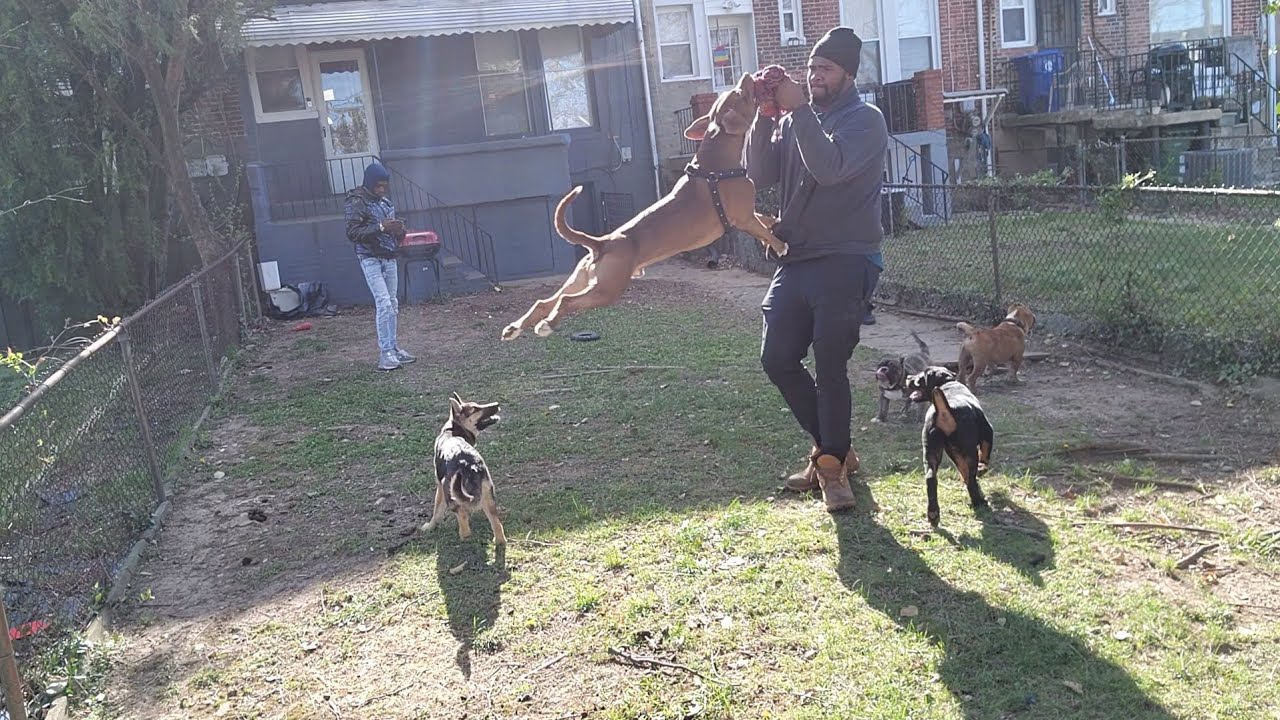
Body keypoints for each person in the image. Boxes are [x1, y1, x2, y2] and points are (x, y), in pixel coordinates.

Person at [745, 27, 889, 512]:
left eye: (824, 69)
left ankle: (830, 470)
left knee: (830, 366)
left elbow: (828, 167)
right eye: (810, 70)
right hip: (797, 257)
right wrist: (766, 117)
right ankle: (837, 451)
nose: (814, 77)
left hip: (847, 259)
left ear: (847, 73)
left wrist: (799, 110)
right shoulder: (795, 120)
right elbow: (758, 173)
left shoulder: (866, 121)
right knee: (776, 357)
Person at [345, 161, 415, 371]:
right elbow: (352, 233)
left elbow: (393, 234)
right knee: (383, 303)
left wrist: (399, 230)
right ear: (369, 183)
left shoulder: (385, 203)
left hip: (389, 257)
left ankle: (393, 349)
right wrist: (381, 226)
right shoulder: (357, 201)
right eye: (378, 186)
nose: (381, 190)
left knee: (392, 303)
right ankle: (385, 355)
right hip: (370, 258)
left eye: (384, 186)